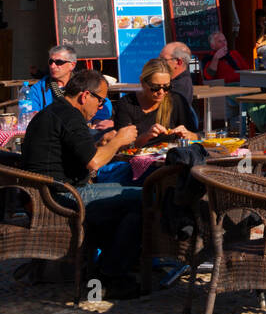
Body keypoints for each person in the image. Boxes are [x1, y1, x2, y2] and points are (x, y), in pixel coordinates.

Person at [19, 69, 141, 297]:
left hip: (45, 195)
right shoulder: (71, 116)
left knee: (124, 195)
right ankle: (111, 276)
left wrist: (100, 140)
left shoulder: (53, 112)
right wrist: (118, 141)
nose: (101, 107)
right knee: (145, 197)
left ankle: (104, 270)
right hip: (61, 198)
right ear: (85, 96)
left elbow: (75, 152)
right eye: (101, 100)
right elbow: (94, 163)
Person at [20, 44, 113, 130]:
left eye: (59, 62)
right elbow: (28, 114)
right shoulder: (38, 88)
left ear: (72, 65)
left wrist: (97, 120)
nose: (53, 66)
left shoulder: (84, 83)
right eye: (51, 61)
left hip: (82, 130)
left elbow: (103, 102)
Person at [113, 58, 199, 147]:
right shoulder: (126, 104)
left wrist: (189, 135)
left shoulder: (176, 100)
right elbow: (122, 146)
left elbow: (198, 137)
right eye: (155, 87)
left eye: (166, 87)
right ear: (142, 82)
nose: (161, 92)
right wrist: (146, 136)